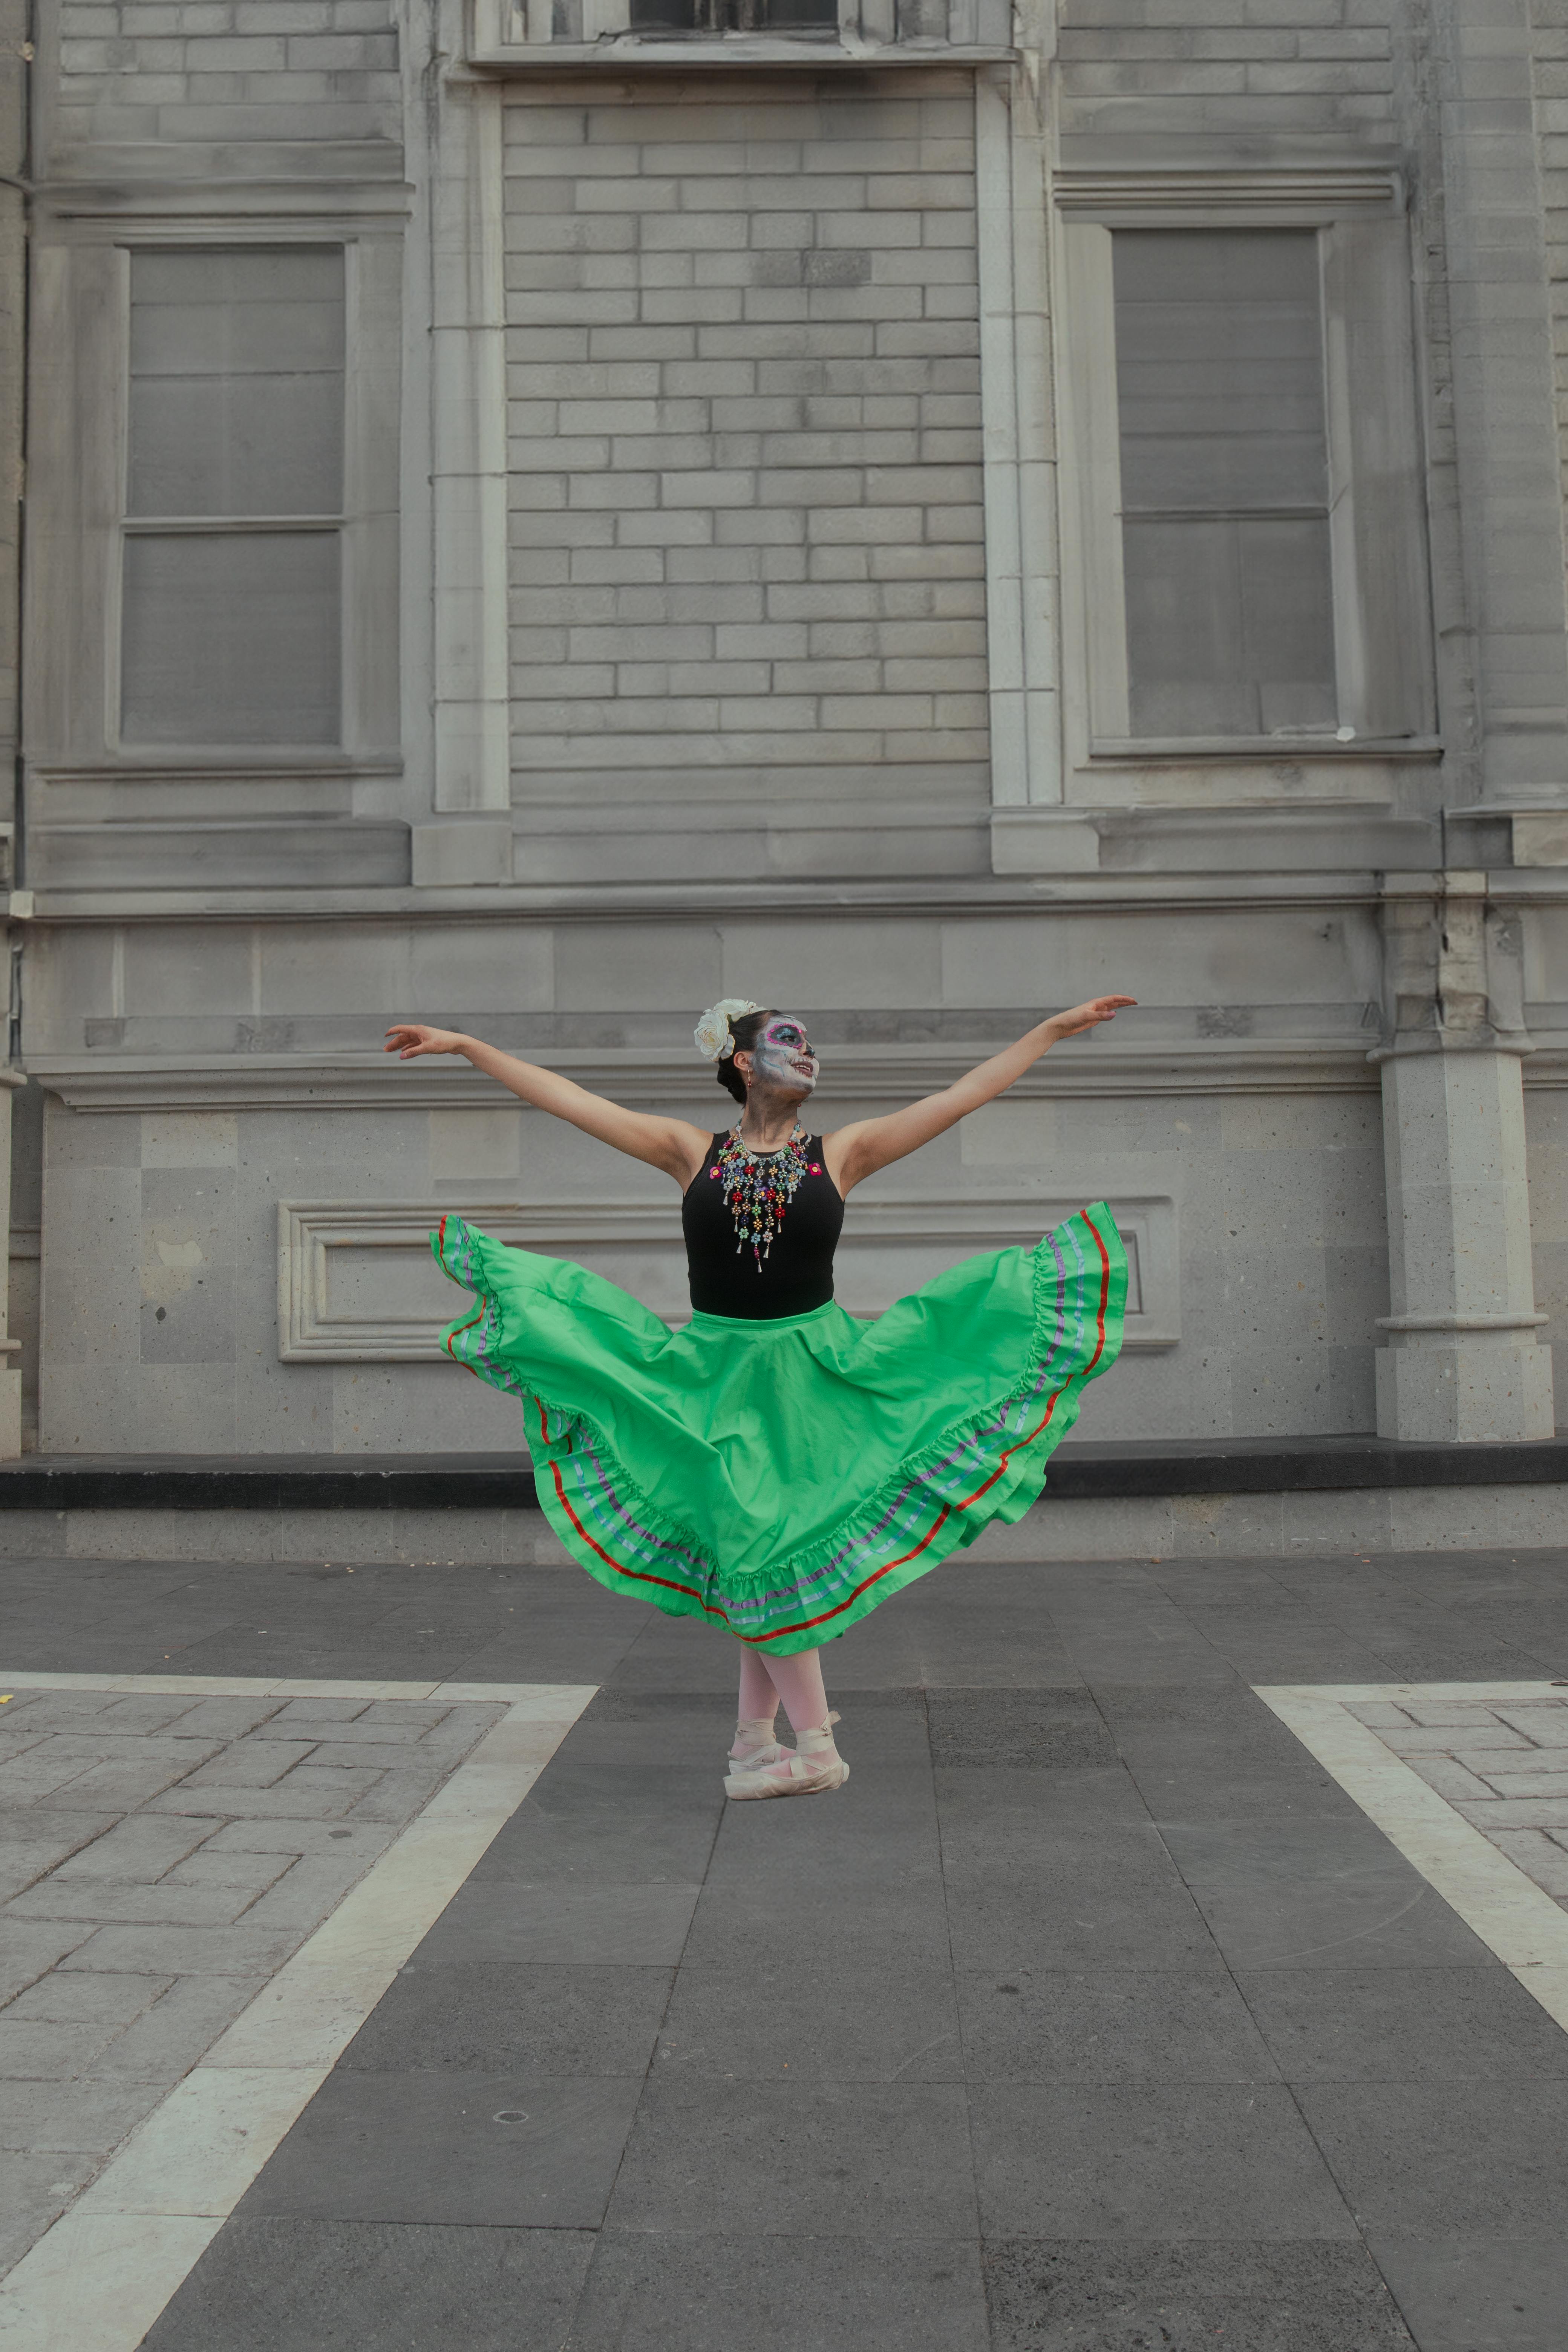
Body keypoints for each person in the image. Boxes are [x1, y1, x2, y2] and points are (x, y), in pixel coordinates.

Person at [384, 996, 1134, 1799]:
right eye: (788, 1040)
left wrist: (1050, 1033)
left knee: (759, 1552)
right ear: (743, 1063)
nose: (808, 1052)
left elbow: (958, 1098)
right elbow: (571, 1101)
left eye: (811, 1043)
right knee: (752, 1549)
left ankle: (813, 1749)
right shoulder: (689, 1152)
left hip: (814, 1380)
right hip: (711, 1377)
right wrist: (469, 1045)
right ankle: (754, 1741)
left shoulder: (840, 1154)